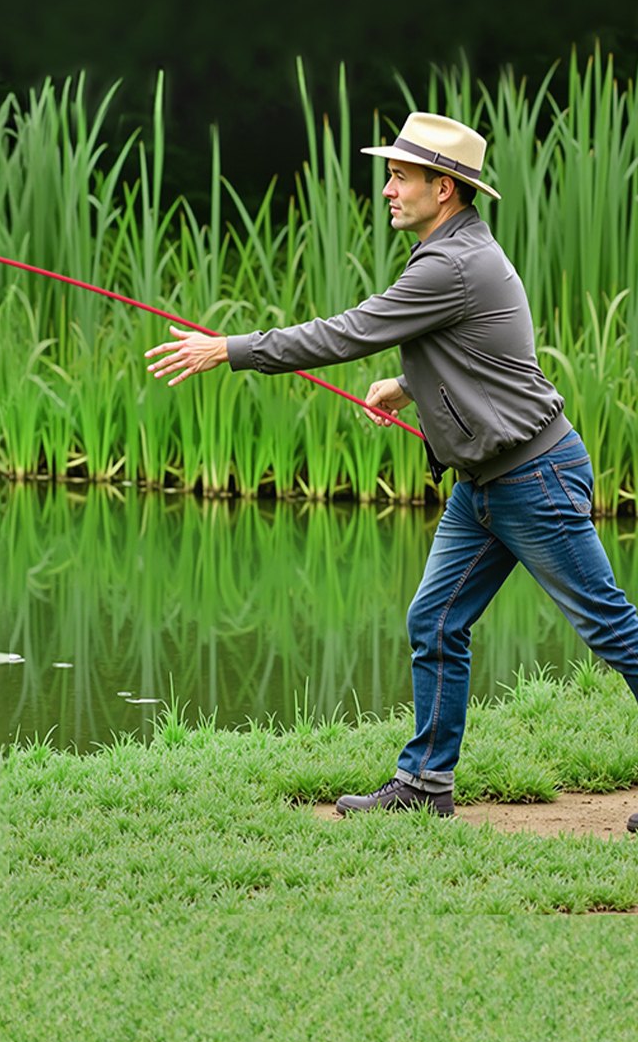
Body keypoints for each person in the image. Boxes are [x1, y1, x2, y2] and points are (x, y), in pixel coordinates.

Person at [144, 111, 638, 823]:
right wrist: (407, 387)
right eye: (390, 174)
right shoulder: (458, 253)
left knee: (611, 628)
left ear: (445, 188)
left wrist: (230, 348)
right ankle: (425, 786)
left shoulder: (452, 264)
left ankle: (425, 782)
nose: (387, 189)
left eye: (400, 177)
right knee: (434, 619)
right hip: (485, 484)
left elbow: (348, 332)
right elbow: (481, 353)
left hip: (533, 477)